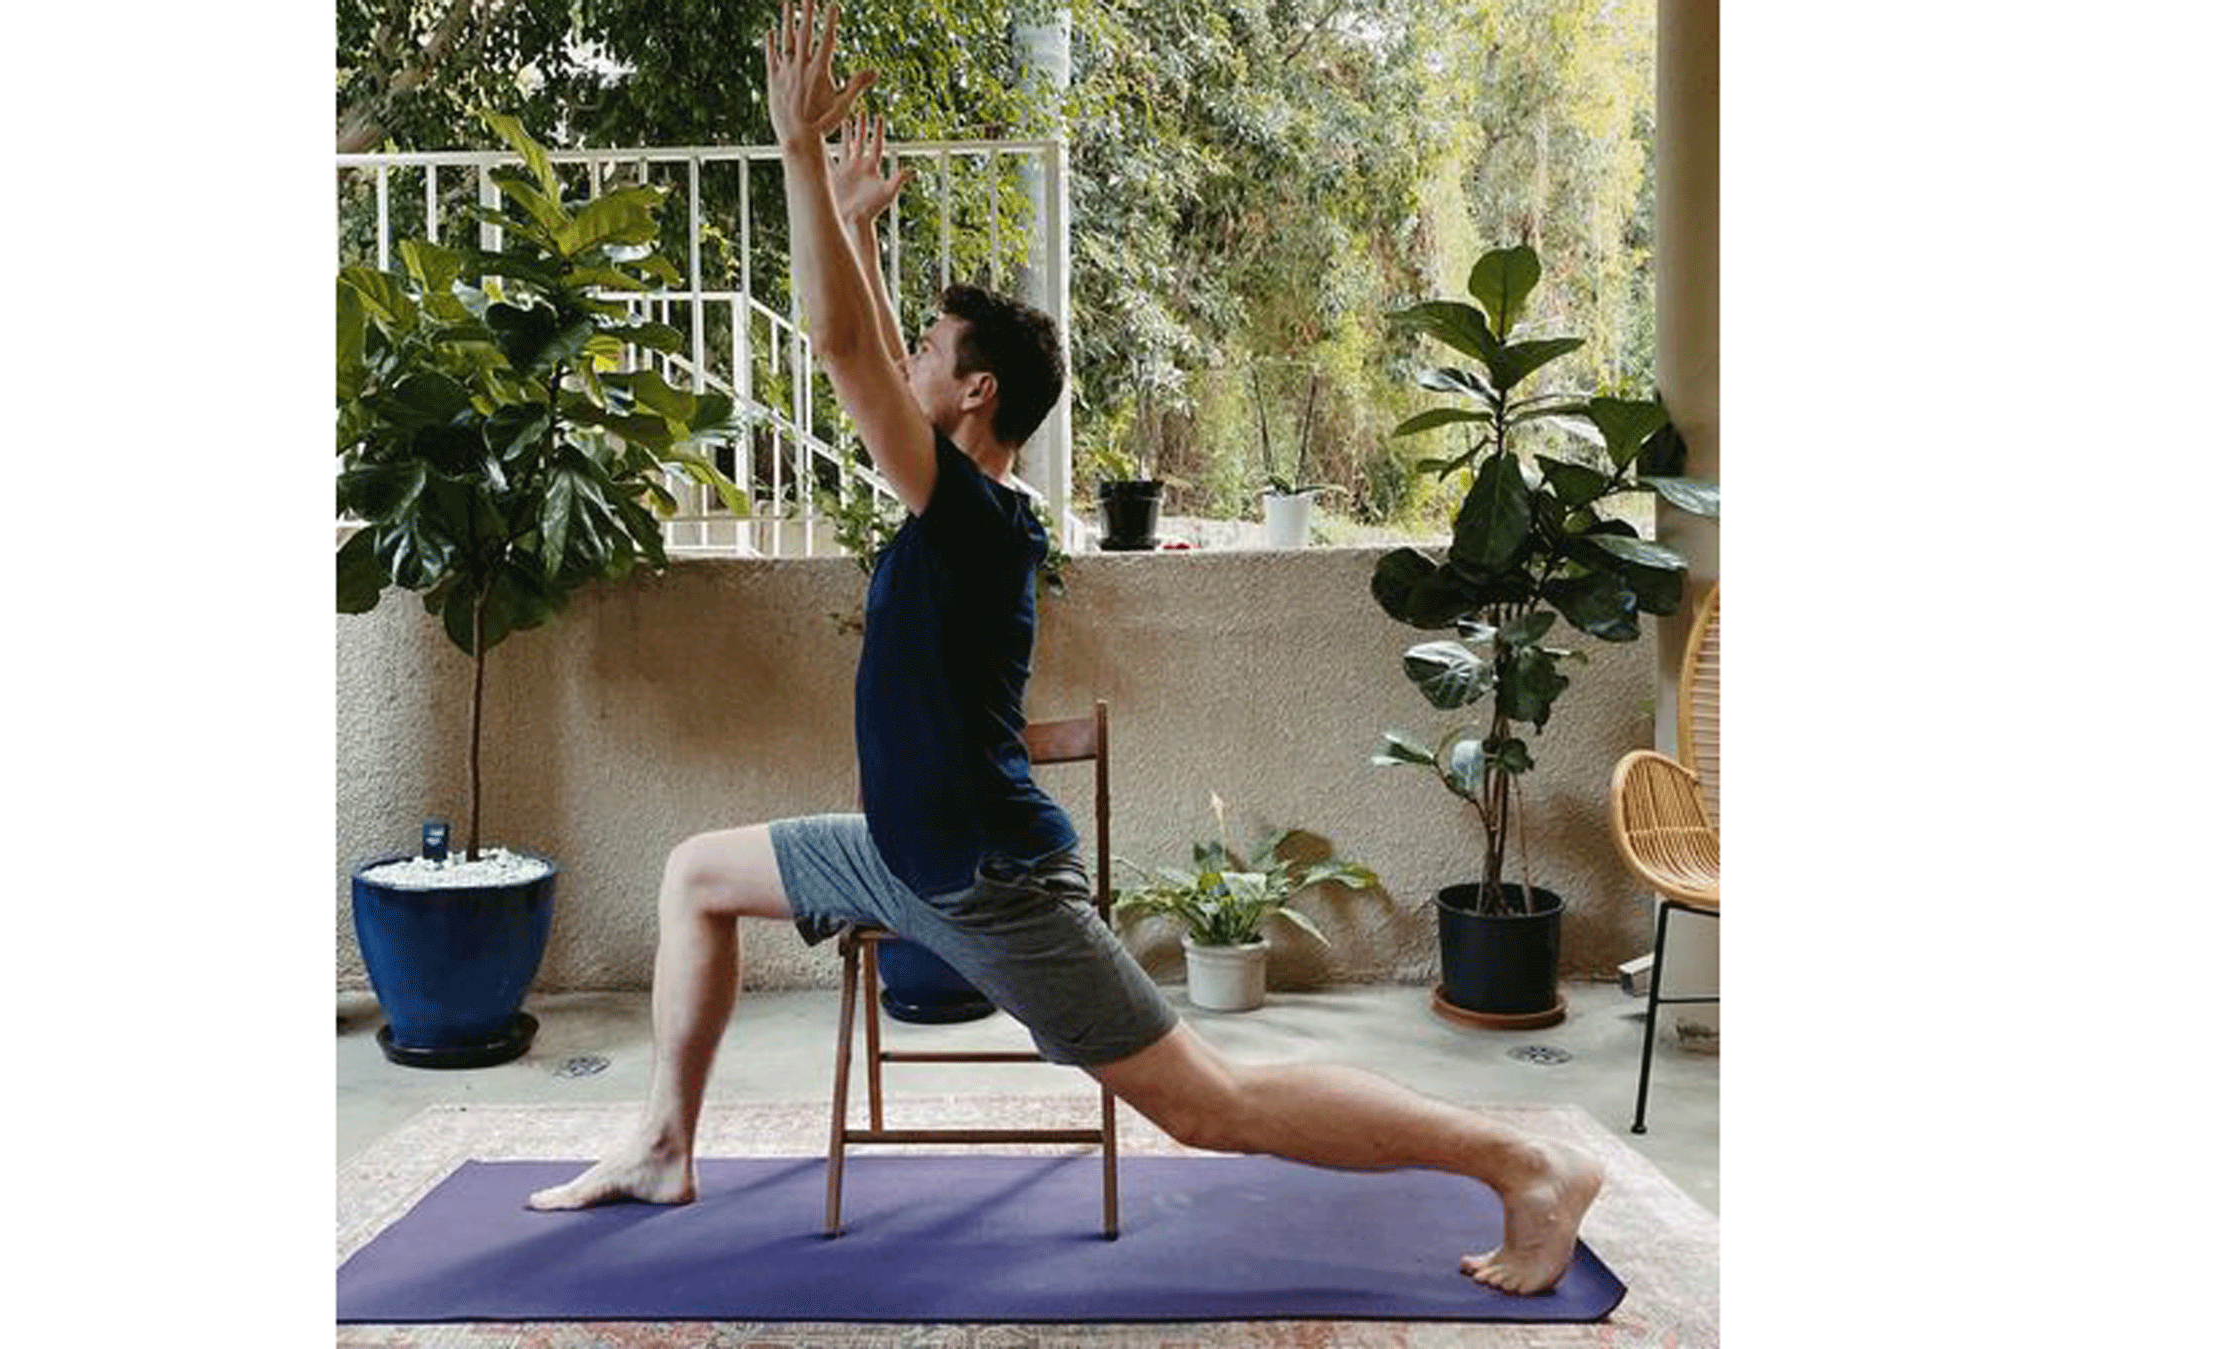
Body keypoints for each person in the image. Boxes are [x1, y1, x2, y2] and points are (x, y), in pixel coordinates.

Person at [527, 0, 1602, 1296]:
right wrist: (858, 228)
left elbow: (839, 345)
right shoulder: (960, 504)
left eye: (936, 350)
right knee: (698, 875)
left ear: (976, 394)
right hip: (901, 851)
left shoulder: (977, 519)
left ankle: (1517, 1160)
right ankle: (660, 1145)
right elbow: (868, 342)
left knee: (1209, 1107)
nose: (910, 355)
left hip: (984, 880)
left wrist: (798, 157)